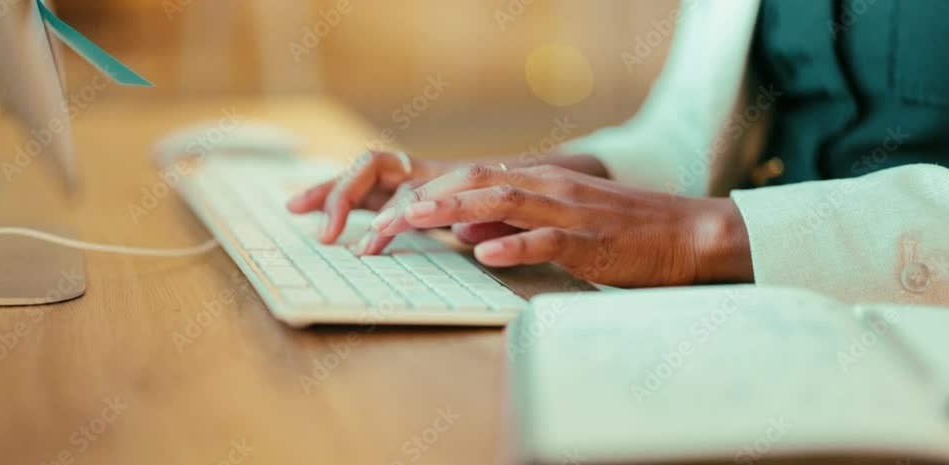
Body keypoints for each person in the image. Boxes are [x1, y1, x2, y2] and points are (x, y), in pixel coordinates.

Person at [303, 1, 936, 306]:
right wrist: (527, 183)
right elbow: (688, 133)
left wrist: (706, 233)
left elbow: (696, 224)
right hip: (760, 312)